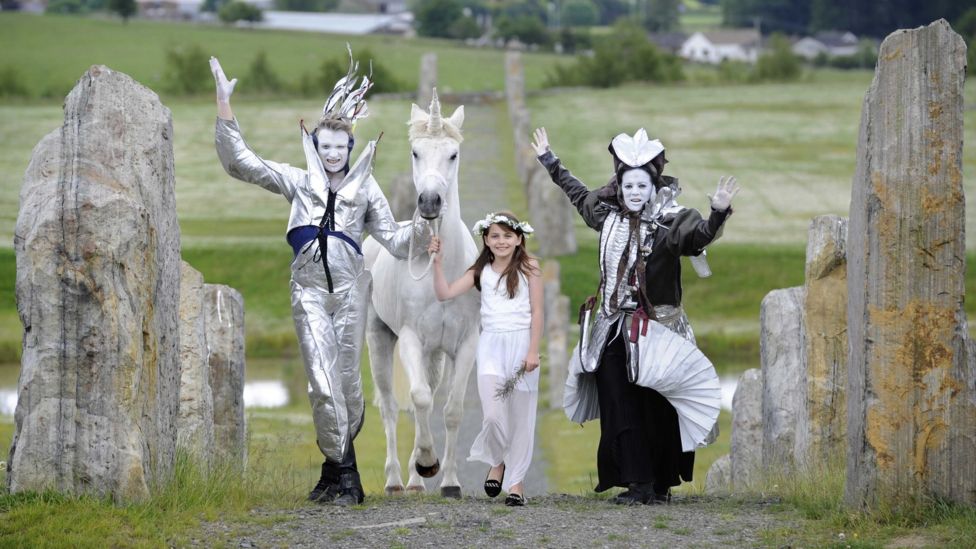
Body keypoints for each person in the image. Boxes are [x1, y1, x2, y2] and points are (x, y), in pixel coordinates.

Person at [210, 52, 428, 506]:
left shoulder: (366, 189)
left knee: (348, 388)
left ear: (349, 149)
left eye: (338, 147)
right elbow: (241, 163)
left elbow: (395, 239)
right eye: (324, 146)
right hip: (308, 292)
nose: (331, 154)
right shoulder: (296, 181)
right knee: (322, 386)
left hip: (352, 294)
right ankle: (350, 478)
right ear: (314, 146)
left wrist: (425, 221)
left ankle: (331, 472)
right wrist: (224, 103)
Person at [531, 126, 739, 505]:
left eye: (642, 186)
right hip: (613, 329)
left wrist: (718, 211)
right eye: (629, 187)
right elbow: (576, 193)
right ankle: (637, 483)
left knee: (658, 406)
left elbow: (700, 237)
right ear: (620, 187)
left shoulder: (671, 224)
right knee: (620, 405)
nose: (635, 193)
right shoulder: (606, 216)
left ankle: (659, 485)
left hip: (657, 331)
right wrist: (550, 161)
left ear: (653, 186)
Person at [427, 212, 543, 506]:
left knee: (520, 418)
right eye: (494, 236)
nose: (501, 241)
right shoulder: (481, 271)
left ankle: (515, 484)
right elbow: (444, 293)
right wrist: (437, 264)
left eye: (507, 236)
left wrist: (532, 350)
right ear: (486, 240)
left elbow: (538, 312)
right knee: (493, 415)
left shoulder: (530, 267)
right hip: (491, 345)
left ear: (519, 239)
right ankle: (497, 460)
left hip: (520, 344)